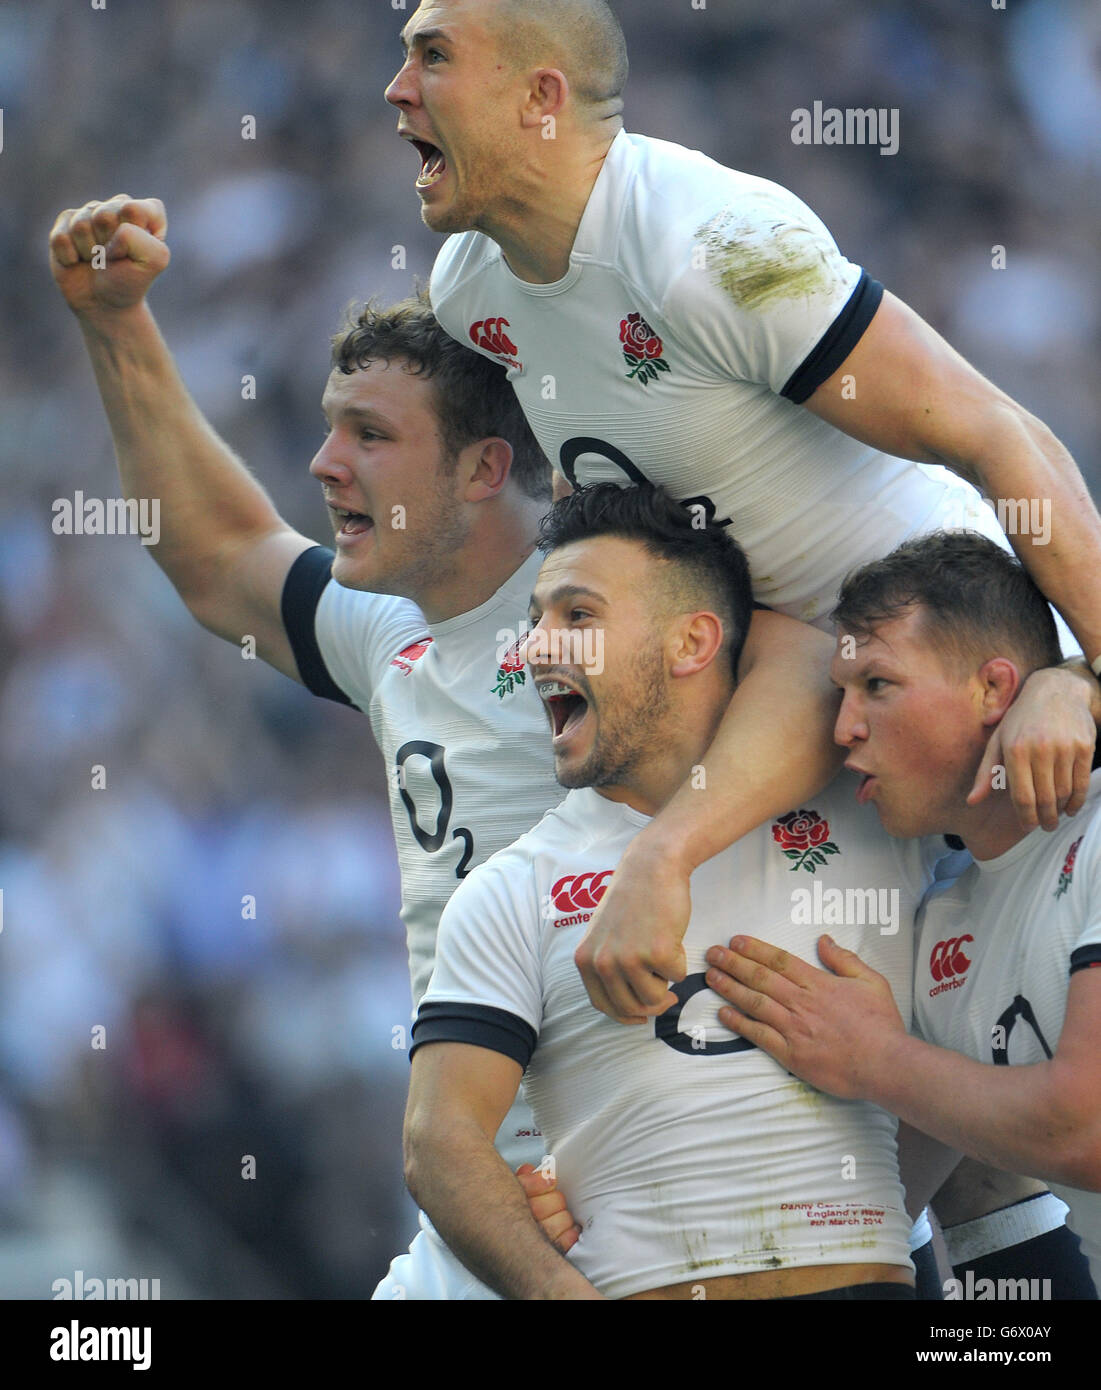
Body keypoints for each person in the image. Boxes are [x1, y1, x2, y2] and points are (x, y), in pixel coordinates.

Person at [47, 194, 853, 1299]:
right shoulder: (390, 626)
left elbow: (823, 684)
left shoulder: (624, 606)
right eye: (332, 427)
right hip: (479, 1184)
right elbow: (217, 554)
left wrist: (667, 856)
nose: (326, 463)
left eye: (371, 435)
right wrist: (118, 324)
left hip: (668, 1178)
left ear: (483, 469)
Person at [384, 0, 1101, 1025]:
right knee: (908, 1103)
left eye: (432, 57)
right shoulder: (469, 293)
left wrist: (1084, 671)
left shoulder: (708, 248)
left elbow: (996, 435)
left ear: (540, 97)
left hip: (978, 700)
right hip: (811, 712)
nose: (395, 89)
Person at [406, 484, 988, 1300]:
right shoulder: (511, 887)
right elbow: (439, 1141)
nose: (533, 648)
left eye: (577, 616)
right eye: (534, 620)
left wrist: (1072, 687)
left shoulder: (875, 803)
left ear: (691, 641)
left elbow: (993, 711)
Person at [705, 531, 1101, 1296]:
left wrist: (873, 1058)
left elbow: (1085, 1128)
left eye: (877, 686)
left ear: (993, 689)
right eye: (842, 693)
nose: (842, 727)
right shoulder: (943, 923)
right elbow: (875, 1212)